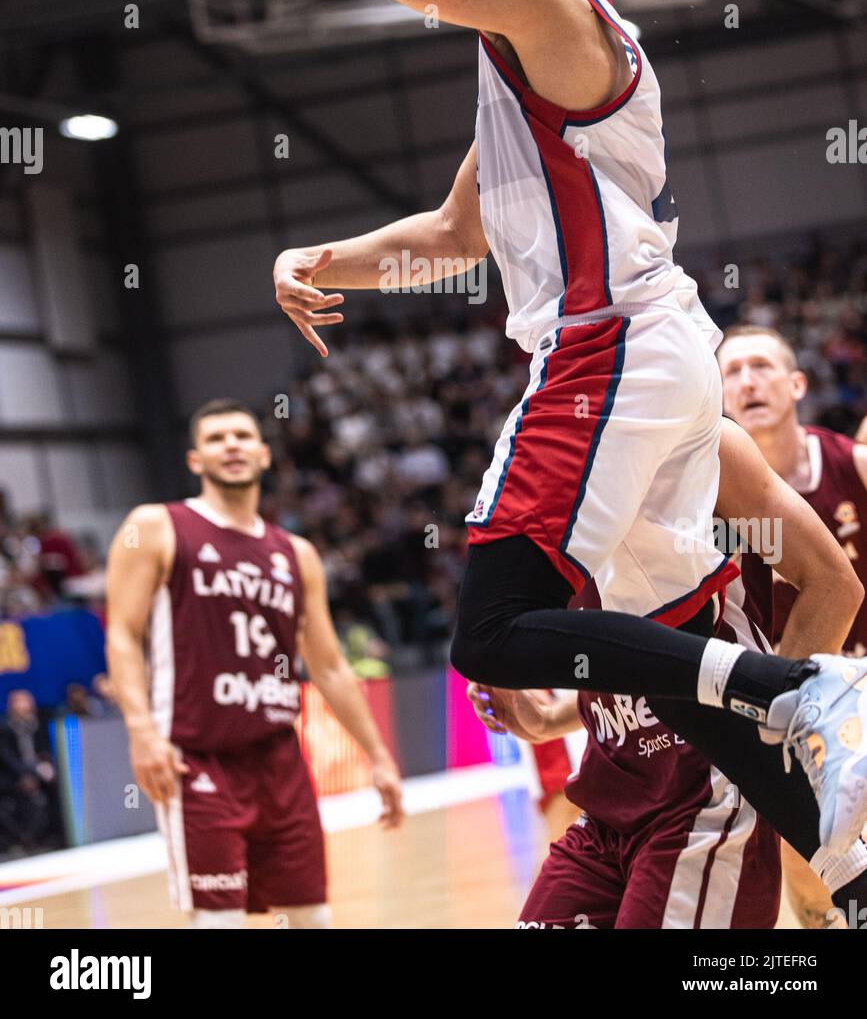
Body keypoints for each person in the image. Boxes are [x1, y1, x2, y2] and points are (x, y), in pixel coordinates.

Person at [142, 0, 867, 863]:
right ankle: (852, 873)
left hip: (610, 351)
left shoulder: (551, 7)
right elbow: (451, 237)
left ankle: (800, 686)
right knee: (675, 652)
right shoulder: (536, 66)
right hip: (650, 357)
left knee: (493, 630)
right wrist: (321, 256)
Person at [469, 419, 864, 927]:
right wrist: (550, 718)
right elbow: (631, 657)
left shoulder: (708, 442)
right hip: (607, 802)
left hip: (709, 796)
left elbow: (834, 584)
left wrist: (772, 741)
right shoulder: (549, 456)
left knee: (824, 886)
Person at [107, 399, 403, 929]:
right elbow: (123, 634)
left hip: (280, 758)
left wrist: (378, 756)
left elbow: (330, 667)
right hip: (197, 758)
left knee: (312, 917)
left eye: (242, 436)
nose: (232, 446)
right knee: (219, 921)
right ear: (195, 459)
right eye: (216, 438)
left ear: (265, 455)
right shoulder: (157, 526)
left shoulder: (296, 553)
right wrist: (141, 730)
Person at [719, 324, 867, 926]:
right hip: (791, 729)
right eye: (732, 372)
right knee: (819, 901)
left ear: (798, 384)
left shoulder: (854, 465)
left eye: (761, 366)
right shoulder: (705, 508)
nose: (748, 381)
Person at [0, 689, 59, 854]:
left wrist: (45, 766)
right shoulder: (4, 728)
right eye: (21, 702)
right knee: (21, 793)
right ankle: (24, 839)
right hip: (13, 776)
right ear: (11, 706)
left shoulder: (39, 725)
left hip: (39, 773)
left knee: (58, 787)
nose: (26, 706)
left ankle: (56, 834)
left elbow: (46, 751)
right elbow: (8, 758)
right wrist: (26, 774)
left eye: (28, 701)